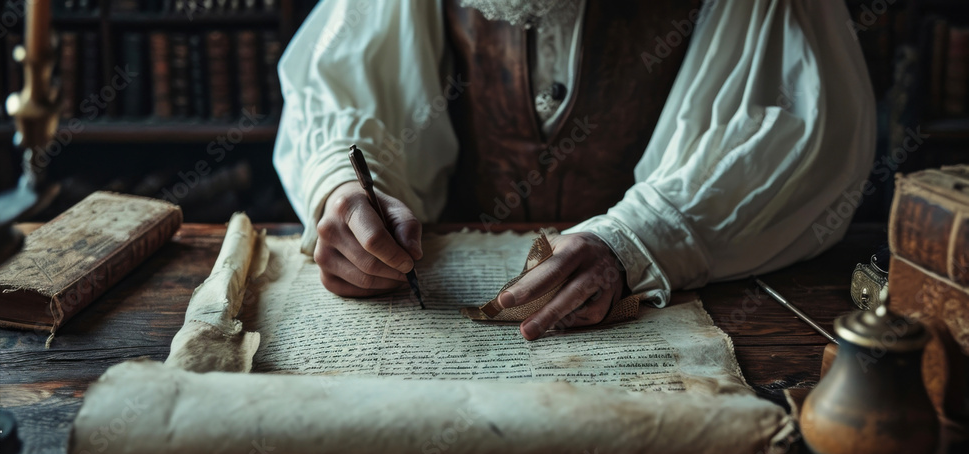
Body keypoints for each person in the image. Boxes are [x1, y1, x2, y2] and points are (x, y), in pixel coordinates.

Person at [273, 0, 876, 340]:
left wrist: (634, 242)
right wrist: (345, 186)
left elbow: (796, 122)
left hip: (668, 312)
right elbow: (345, 81)